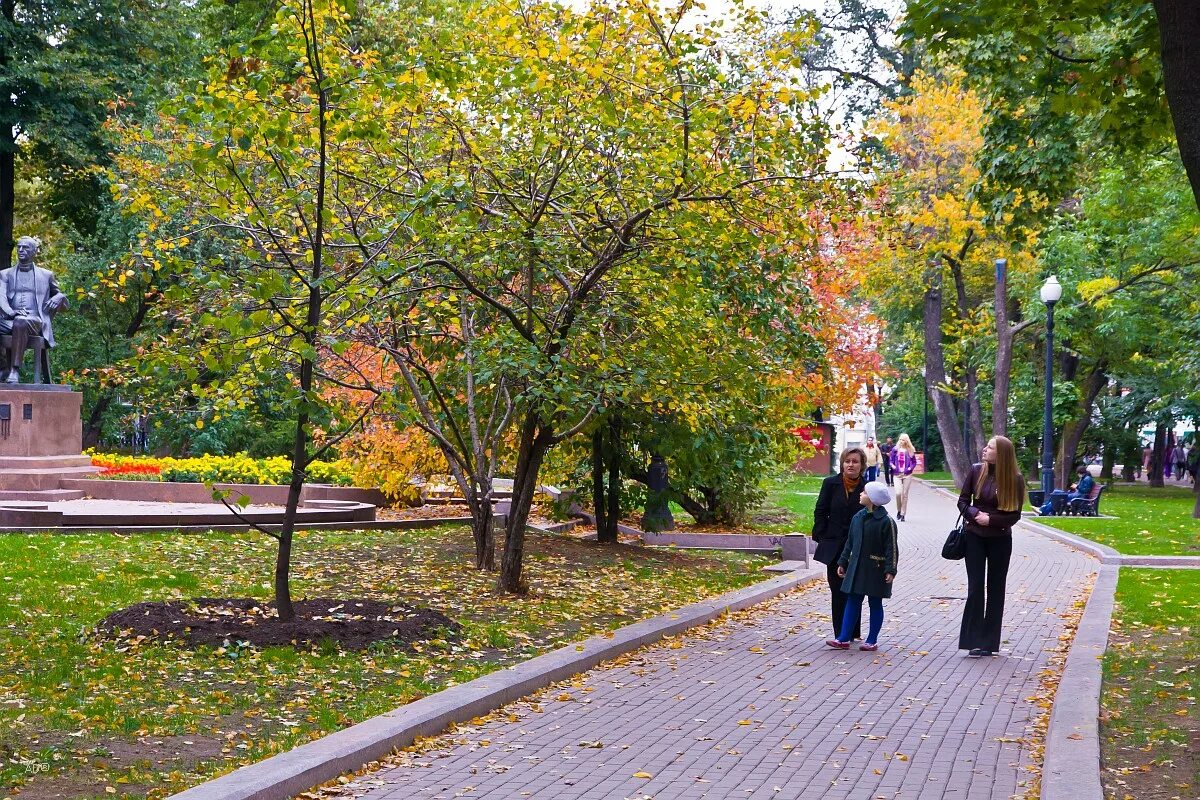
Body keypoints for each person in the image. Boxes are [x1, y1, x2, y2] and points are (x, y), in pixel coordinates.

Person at [957, 435, 1026, 658]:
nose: (984, 449)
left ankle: (988, 643)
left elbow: (1015, 514)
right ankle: (973, 640)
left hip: (1000, 539)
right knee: (976, 587)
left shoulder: (1015, 479)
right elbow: (962, 501)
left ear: (1002, 454)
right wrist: (975, 514)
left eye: (990, 447)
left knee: (996, 589)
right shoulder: (976, 471)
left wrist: (992, 520)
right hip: (974, 537)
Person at [826, 481, 898, 652]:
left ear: (872, 499)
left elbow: (892, 548)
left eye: (864, 493)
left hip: (876, 568)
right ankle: (843, 638)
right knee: (852, 599)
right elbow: (849, 543)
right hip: (857, 567)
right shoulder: (858, 517)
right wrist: (843, 562)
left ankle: (872, 640)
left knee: (875, 602)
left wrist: (890, 569)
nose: (860, 494)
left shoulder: (886, 522)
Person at [812, 448, 867, 641]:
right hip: (834, 546)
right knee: (837, 589)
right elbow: (820, 511)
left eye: (855, 462)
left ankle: (853, 632)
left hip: (858, 547)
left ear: (862, 465)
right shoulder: (830, 484)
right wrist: (822, 536)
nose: (851, 465)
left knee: (854, 588)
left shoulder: (867, 487)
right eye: (847, 461)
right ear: (842, 464)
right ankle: (840, 634)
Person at [0, 236, 68, 383]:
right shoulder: (5, 274)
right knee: (18, 320)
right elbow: (1, 298)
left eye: (25, 247)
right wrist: (12, 312)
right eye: (19, 247)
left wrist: (60, 296)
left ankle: (14, 371)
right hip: (10, 319)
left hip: (35, 320)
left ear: (34, 251)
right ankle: (4, 367)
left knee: (21, 321)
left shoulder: (46, 275)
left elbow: (64, 307)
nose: (21, 250)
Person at [889, 433, 918, 521]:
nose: (901, 441)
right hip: (897, 475)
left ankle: (903, 514)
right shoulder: (895, 449)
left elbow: (914, 462)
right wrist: (893, 466)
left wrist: (910, 468)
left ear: (906, 441)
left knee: (905, 494)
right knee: (898, 493)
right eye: (900, 439)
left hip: (907, 475)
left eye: (903, 440)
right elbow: (890, 461)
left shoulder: (910, 450)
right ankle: (898, 510)